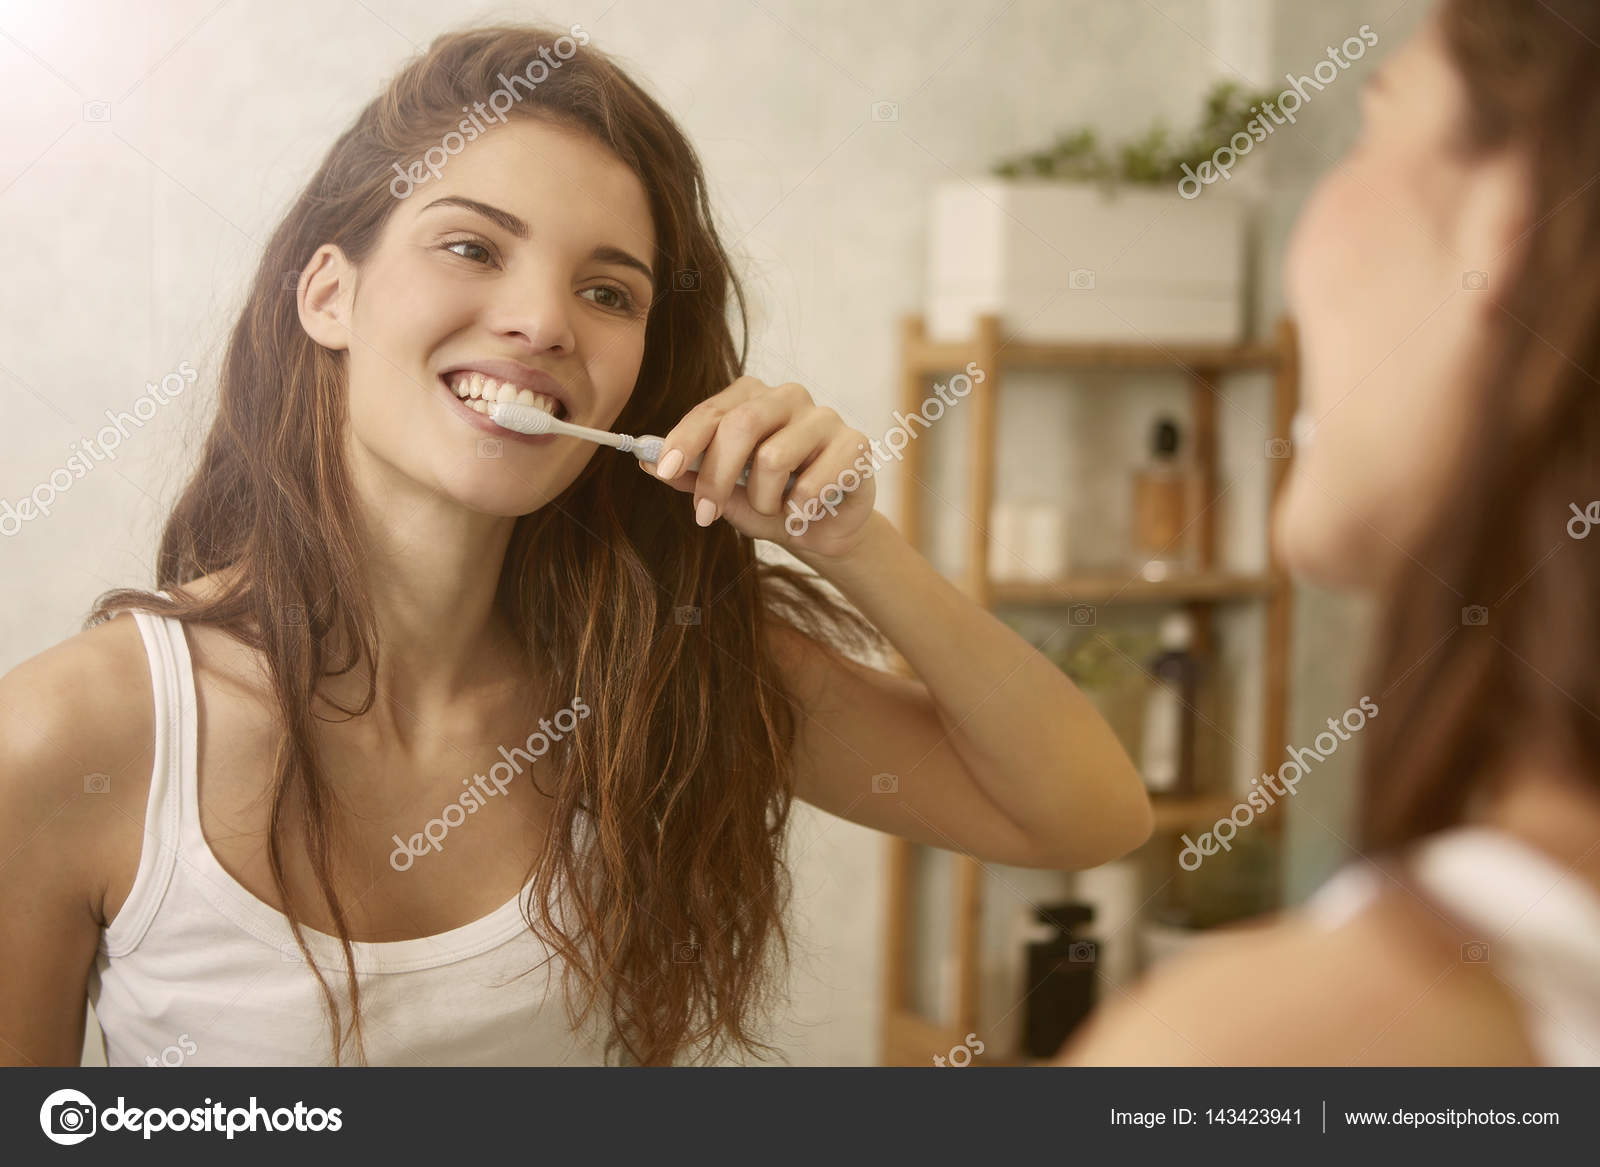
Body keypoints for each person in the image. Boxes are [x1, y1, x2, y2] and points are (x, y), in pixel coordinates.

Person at [0, 24, 1152, 1069]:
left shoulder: (666, 669)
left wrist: (855, 547)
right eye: (470, 247)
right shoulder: (75, 737)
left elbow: (1085, 816)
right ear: (329, 295)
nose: (544, 320)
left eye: (608, 290)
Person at [1062, 0, 1600, 1066]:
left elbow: (1072, 809)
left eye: (1369, 128)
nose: (1295, 251)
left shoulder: (1267, 1052)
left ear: (1506, 222)